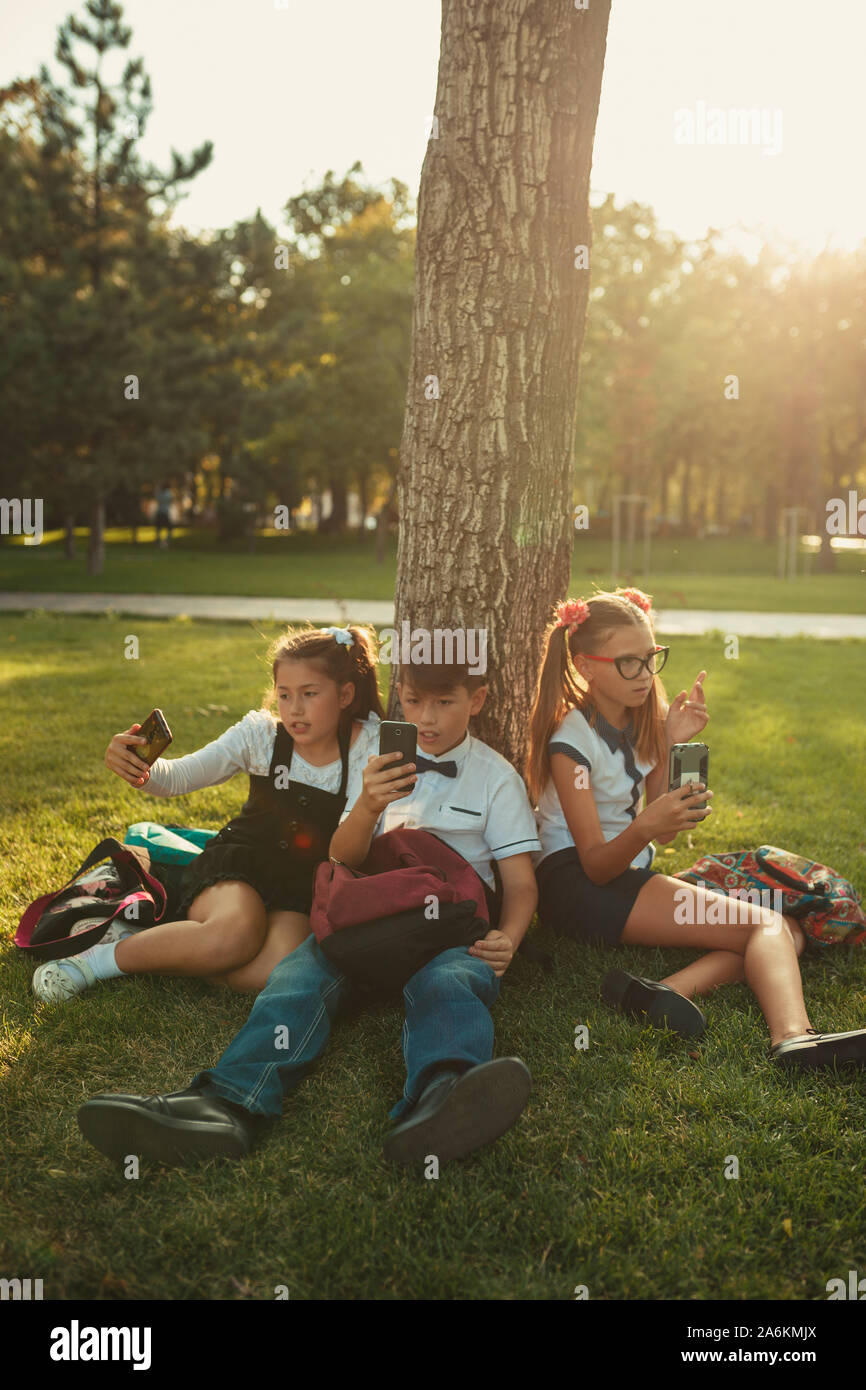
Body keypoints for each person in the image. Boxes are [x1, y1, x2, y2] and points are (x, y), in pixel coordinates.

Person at [76, 654, 541, 1166]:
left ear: (476, 701)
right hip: (374, 916)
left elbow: (519, 882)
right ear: (399, 699)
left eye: (444, 703)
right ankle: (225, 1105)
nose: (426, 719)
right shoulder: (380, 764)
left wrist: (511, 937)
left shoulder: (497, 779)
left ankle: (443, 1097)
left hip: (453, 926)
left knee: (449, 982)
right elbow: (342, 857)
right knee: (299, 975)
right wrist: (368, 804)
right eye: (413, 702)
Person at [526, 587, 866, 1070]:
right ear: (585, 666)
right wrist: (647, 823)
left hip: (625, 877)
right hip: (579, 888)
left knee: (785, 929)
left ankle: (665, 992)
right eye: (629, 663)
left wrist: (673, 741)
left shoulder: (637, 723)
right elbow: (597, 866)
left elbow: (664, 834)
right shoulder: (571, 744)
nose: (645, 675)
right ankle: (793, 1038)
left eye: (651, 659)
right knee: (765, 924)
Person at [33, 625, 384, 1001]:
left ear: (346, 694)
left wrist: (368, 803)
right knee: (234, 934)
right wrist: (142, 770)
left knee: (279, 967)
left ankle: (171, 947)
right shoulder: (262, 735)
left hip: (301, 887)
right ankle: (92, 960)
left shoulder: (369, 747)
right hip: (240, 865)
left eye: (309, 694)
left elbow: (343, 857)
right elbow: (180, 776)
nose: (294, 709)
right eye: (284, 694)